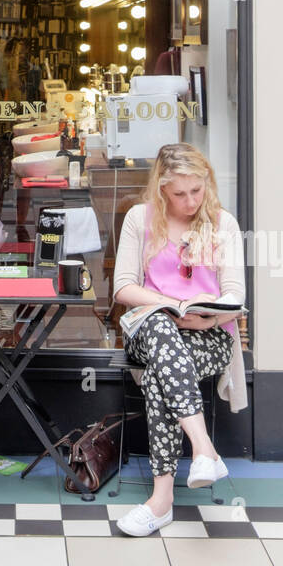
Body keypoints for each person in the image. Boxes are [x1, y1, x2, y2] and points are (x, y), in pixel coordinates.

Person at [111, 143, 247, 537]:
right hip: (150, 331)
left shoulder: (223, 224)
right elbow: (123, 288)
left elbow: (236, 295)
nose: (190, 201)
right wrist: (172, 305)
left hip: (207, 334)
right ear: (161, 190)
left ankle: (161, 501)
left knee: (160, 376)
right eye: (179, 193)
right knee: (158, 325)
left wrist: (206, 320)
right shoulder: (140, 219)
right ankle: (203, 449)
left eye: (197, 191)